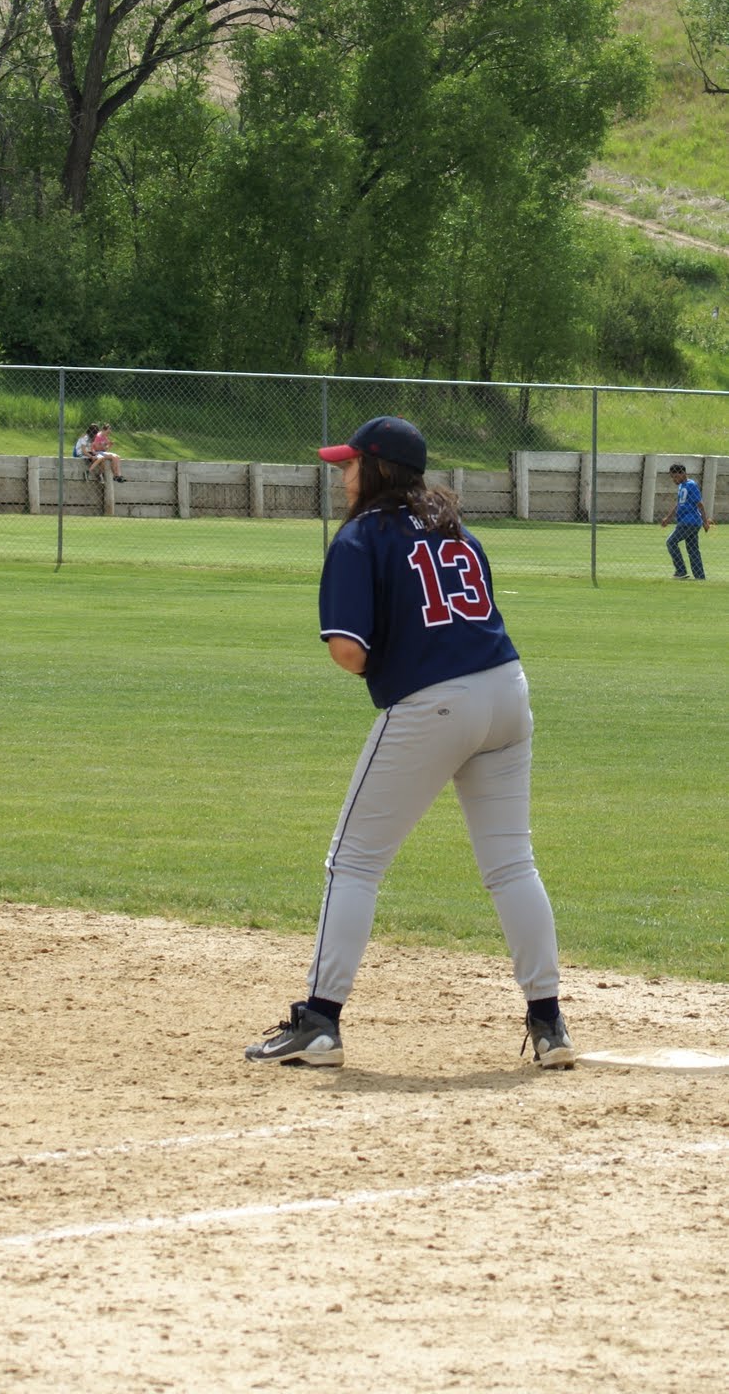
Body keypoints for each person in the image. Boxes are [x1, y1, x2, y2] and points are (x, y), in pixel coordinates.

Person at [245, 415, 574, 1071]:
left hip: (436, 704)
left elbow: (347, 650)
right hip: (508, 691)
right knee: (512, 863)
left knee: (353, 862)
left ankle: (319, 1022)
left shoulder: (360, 536)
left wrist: (401, 668)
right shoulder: (457, 530)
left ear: (377, 470)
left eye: (349, 464)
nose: (342, 475)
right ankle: (549, 1023)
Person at [661, 462, 712, 580]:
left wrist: (705, 522)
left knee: (671, 542)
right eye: (672, 477)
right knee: (693, 549)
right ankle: (700, 576)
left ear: (683, 473)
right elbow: (679, 504)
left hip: (689, 522)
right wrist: (668, 518)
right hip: (690, 522)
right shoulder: (681, 486)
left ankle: (681, 571)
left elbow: (700, 504)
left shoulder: (691, 485)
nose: (674, 480)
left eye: (676, 477)